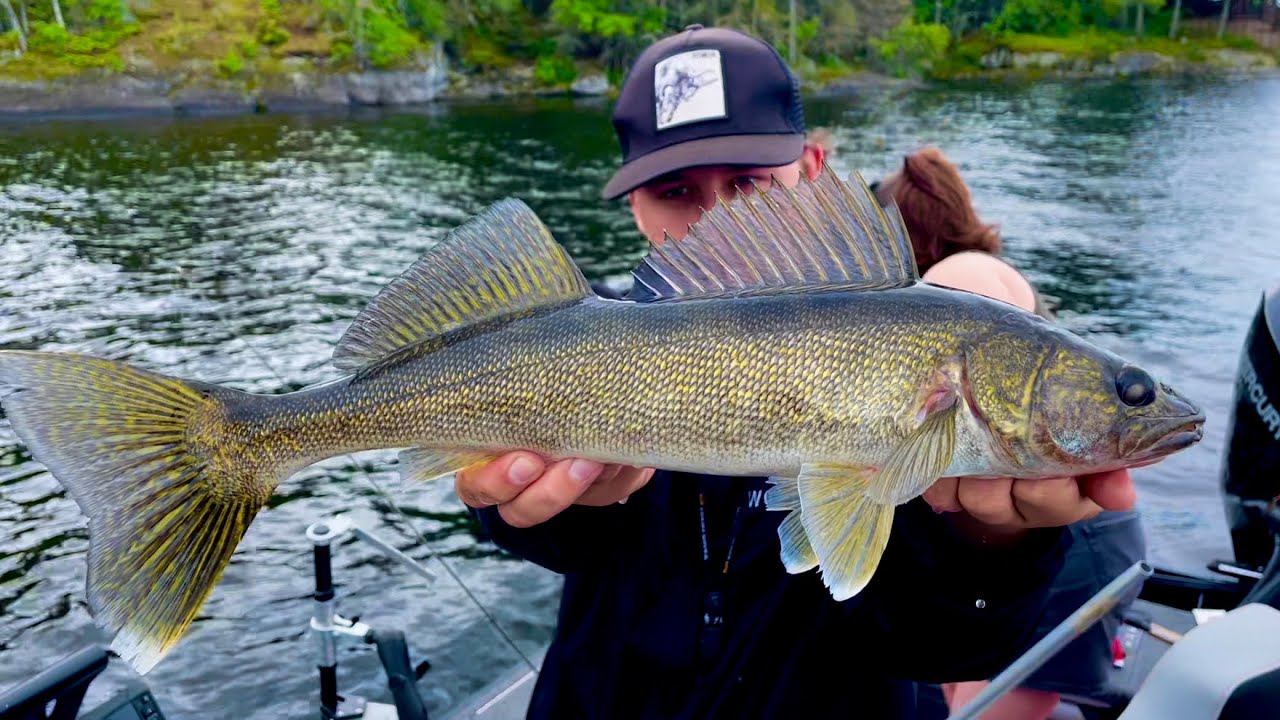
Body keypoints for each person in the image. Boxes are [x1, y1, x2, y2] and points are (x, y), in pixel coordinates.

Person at [453, 25, 1138, 719]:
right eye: (676, 190)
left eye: (748, 181)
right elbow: (552, 532)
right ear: (634, 203)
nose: (716, 217)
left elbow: (936, 645)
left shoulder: (902, 350)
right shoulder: (583, 339)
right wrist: (536, 504)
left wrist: (989, 546)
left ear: (812, 168)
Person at [872, 147, 1149, 719]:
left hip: (1070, 537)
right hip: (1049, 520)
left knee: (993, 704)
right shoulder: (985, 280)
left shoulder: (964, 279)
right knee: (960, 679)